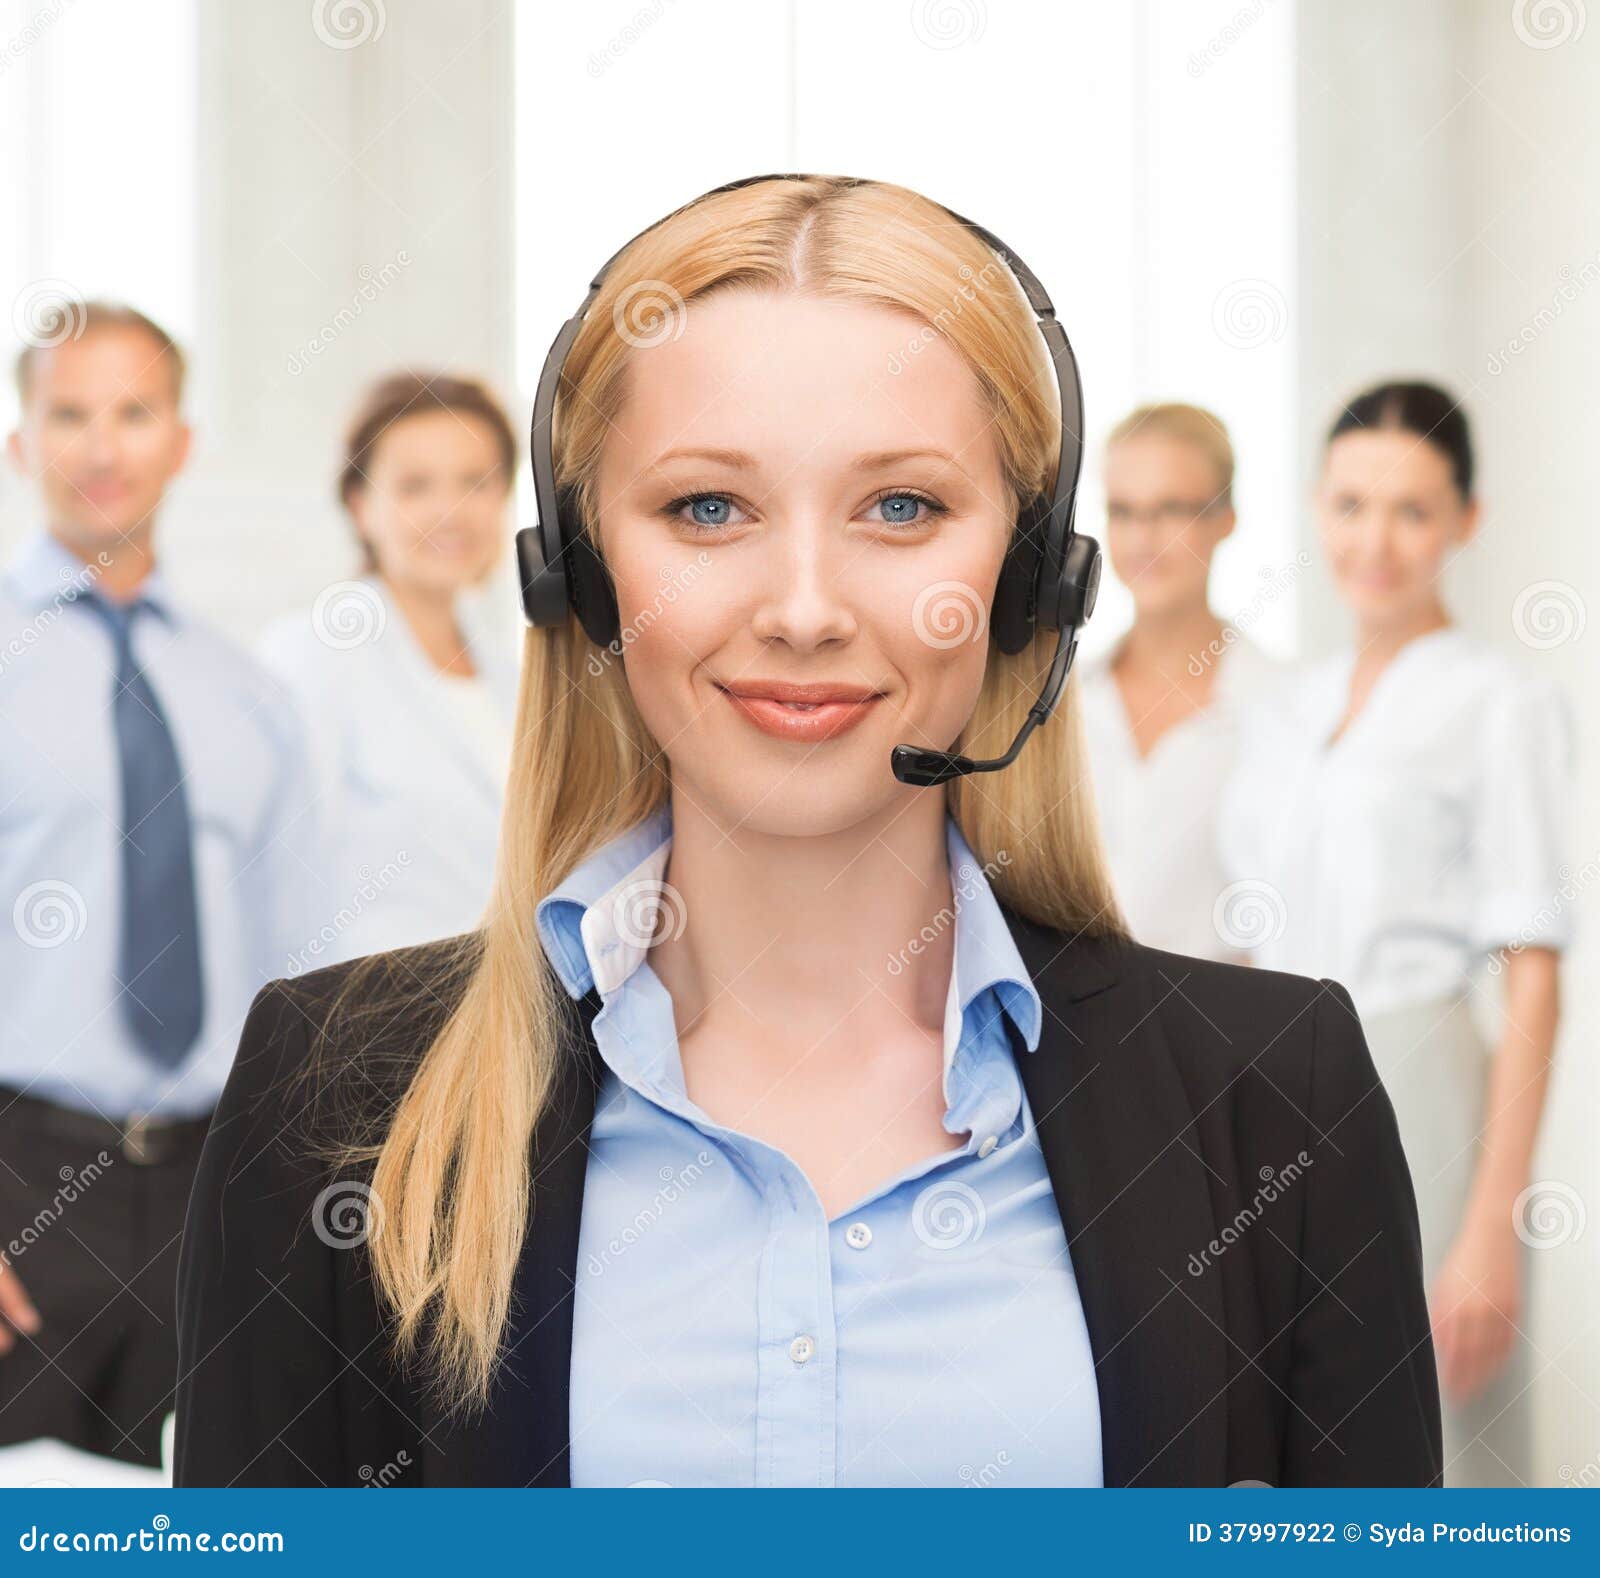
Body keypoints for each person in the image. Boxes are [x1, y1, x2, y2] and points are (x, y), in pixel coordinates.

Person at [174, 175, 1442, 1489]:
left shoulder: (1280, 1098)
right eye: (708, 508)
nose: (803, 607)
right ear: (583, 576)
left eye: (901, 506)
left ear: (1028, 581)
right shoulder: (330, 1098)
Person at [1218, 380, 1574, 1487]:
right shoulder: (1282, 705)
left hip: (1420, 1091)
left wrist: (1488, 1230)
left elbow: (1531, 976)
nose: (1375, 541)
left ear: (1465, 522)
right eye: (1350, 503)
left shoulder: (1497, 703)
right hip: (1272, 1092)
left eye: (1412, 511)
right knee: (1288, 1449)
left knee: (1446, 1456)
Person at [0, 301, 318, 1468]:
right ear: (21, 444)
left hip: (209, 1197)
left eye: (133, 412)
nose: (102, 446)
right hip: (19, 1182)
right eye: (68, 413)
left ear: (181, 441)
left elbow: (297, 976)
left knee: (196, 1523)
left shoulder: (252, 698)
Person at [256, 371, 518, 968]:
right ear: (360, 506)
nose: (450, 512)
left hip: (510, 1023)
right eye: (415, 485)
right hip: (367, 1029)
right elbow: (281, 884)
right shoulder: (310, 657)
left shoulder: (518, 675)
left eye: (475, 482)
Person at [1077, 403, 1282, 961]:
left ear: (1226, 518)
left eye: (1171, 510)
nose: (1144, 539)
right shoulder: (1058, 704)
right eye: (1123, 511)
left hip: (1230, 1039)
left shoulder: (1284, 710)